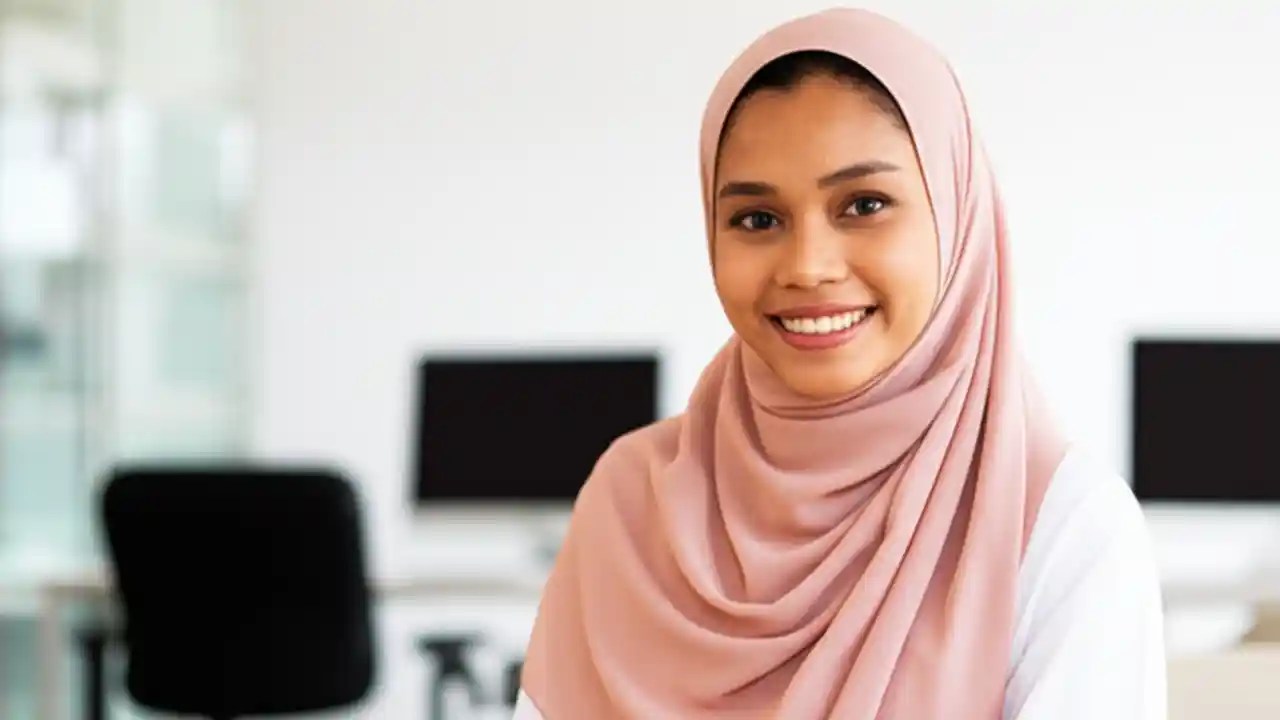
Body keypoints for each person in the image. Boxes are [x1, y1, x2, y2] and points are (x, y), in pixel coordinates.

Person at [513, 8, 1166, 719]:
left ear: (955, 214)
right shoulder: (632, 503)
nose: (808, 267)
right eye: (757, 219)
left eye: (864, 204)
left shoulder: (1059, 524)